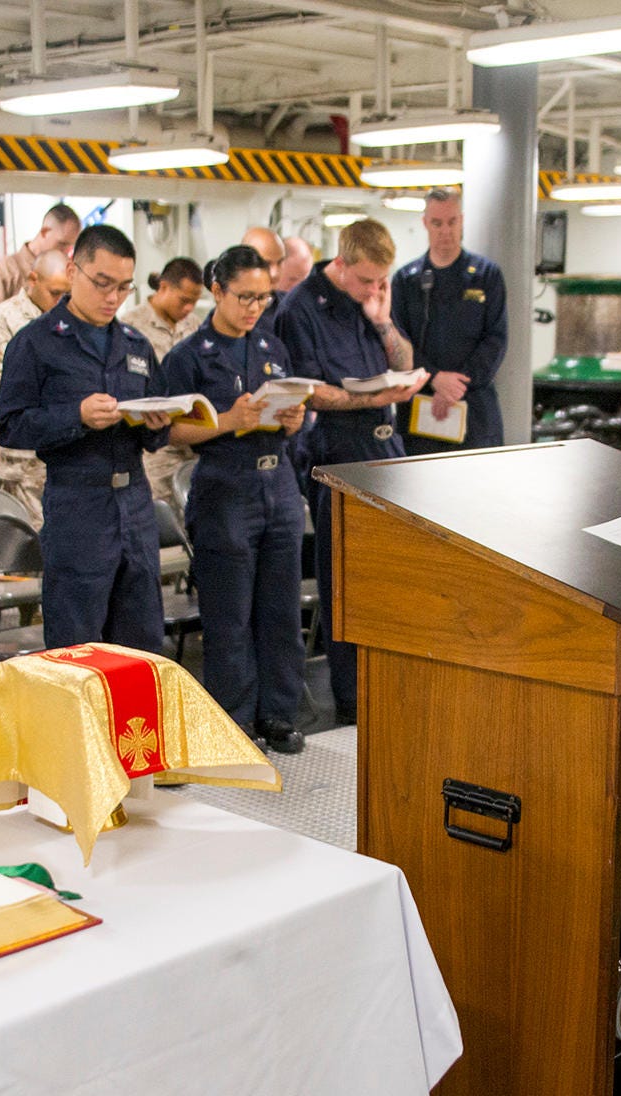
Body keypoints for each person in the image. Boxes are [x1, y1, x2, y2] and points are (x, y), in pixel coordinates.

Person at [0, 223, 171, 653]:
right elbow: (10, 426)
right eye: (103, 283)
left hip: (135, 502)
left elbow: (159, 427)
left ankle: (134, 725)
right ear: (74, 271)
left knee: (141, 642)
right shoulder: (35, 344)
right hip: (77, 505)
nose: (112, 297)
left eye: (124, 287)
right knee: (79, 645)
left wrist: (156, 423)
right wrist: (76, 417)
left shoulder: (135, 343)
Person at [160, 245, 307, 754]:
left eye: (263, 298)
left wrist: (292, 419)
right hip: (226, 487)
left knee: (281, 611)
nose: (253, 308)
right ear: (216, 291)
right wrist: (228, 421)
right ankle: (235, 723)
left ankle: (280, 715)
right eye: (244, 297)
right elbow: (171, 430)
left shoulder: (271, 345)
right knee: (231, 617)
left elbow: (289, 407)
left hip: (278, 483)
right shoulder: (187, 357)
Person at [273, 218, 419, 726]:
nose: (372, 289)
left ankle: (391, 693)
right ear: (340, 261)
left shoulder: (371, 300)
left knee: (392, 584)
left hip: (386, 449)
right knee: (347, 592)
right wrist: (379, 396)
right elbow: (309, 388)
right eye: (365, 280)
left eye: (381, 281)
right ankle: (353, 704)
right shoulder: (299, 308)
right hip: (338, 457)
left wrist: (381, 317)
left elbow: (404, 357)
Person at [392, 188, 507, 453]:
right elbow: (398, 342)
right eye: (437, 223)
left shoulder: (486, 275)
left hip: (474, 408)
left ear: (462, 220)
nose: (446, 230)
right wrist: (435, 378)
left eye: (452, 222)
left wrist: (455, 386)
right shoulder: (406, 280)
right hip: (422, 408)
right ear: (425, 224)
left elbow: (496, 339)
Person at [0, 249, 70, 526]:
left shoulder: (72, 321)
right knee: (33, 553)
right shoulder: (2, 320)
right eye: (54, 293)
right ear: (32, 279)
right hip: (25, 463)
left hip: (68, 458)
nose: (60, 302)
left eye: (66, 295)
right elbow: (0, 387)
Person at [118, 256, 204, 505]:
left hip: (191, 443)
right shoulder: (130, 328)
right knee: (160, 522)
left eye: (195, 302)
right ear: (164, 287)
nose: (188, 308)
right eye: (184, 300)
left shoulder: (194, 326)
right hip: (154, 451)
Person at [0, 202, 80, 323]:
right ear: (44, 232)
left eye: (71, 246)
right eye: (62, 244)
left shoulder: (67, 273)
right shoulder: (5, 270)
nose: (66, 251)